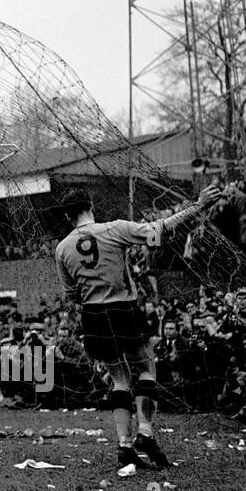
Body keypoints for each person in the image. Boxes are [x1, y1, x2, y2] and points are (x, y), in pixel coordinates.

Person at [55, 185, 221, 470]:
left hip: (93, 315)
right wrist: (198, 206)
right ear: (91, 206)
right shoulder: (114, 228)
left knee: (119, 379)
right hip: (124, 308)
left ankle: (124, 445)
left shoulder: (62, 249)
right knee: (146, 369)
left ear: (69, 217)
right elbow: (159, 229)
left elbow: (70, 295)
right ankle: (144, 431)